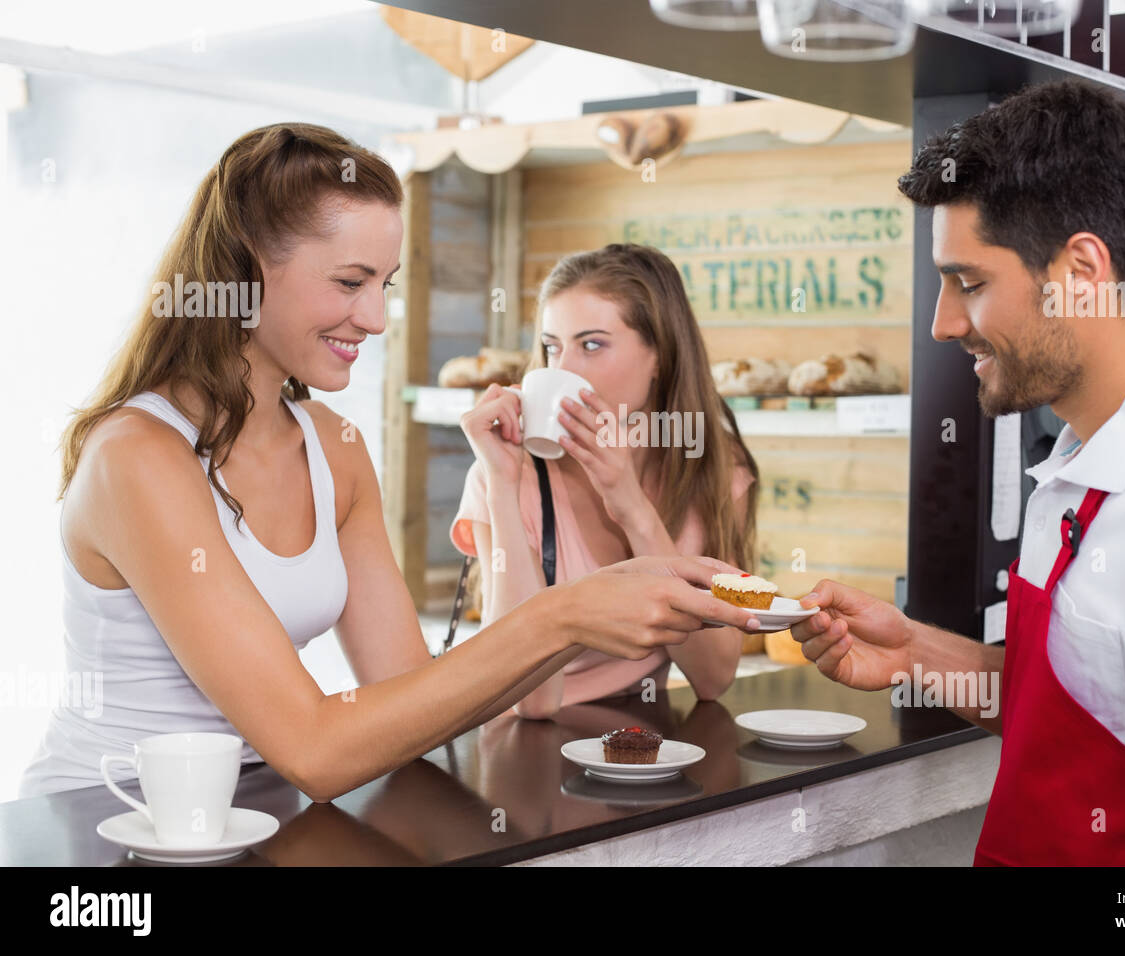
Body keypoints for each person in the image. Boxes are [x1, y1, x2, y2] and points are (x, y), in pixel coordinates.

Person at [18, 124, 761, 802]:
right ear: (247, 271)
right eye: (350, 282)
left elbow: (412, 701)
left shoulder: (333, 447)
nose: (375, 318)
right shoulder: (138, 456)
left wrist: (583, 608)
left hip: (260, 807)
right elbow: (314, 745)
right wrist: (565, 615)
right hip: (109, 821)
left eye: (385, 285)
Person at [792, 79, 1125, 867]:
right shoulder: (1075, 452)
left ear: (1083, 270)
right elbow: (1086, 708)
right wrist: (916, 654)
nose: (943, 323)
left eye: (970, 283)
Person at [452, 243, 760, 718]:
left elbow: (712, 678)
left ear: (660, 355)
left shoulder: (712, 469)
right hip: (527, 744)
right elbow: (530, 702)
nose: (564, 370)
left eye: (592, 344)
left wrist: (631, 505)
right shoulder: (511, 476)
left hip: (643, 740)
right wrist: (501, 485)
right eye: (553, 347)